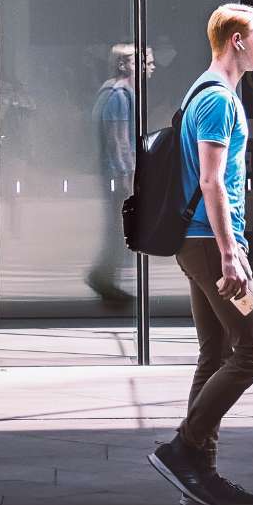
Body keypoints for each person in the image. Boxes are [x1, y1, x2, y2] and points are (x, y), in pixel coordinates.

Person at [148, 3, 253, 505]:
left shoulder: (199, 91)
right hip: (209, 244)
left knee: (216, 353)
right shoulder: (219, 101)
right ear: (237, 40)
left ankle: (199, 473)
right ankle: (183, 450)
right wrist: (229, 253)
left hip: (195, 242)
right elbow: (211, 180)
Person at [87, 43, 154, 308]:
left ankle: (105, 278)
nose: (151, 67)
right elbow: (117, 141)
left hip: (117, 172)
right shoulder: (117, 95)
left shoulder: (121, 93)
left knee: (119, 229)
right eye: (145, 62)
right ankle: (102, 278)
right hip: (117, 173)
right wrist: (128, 176)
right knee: (119, 229)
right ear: (124, 65)